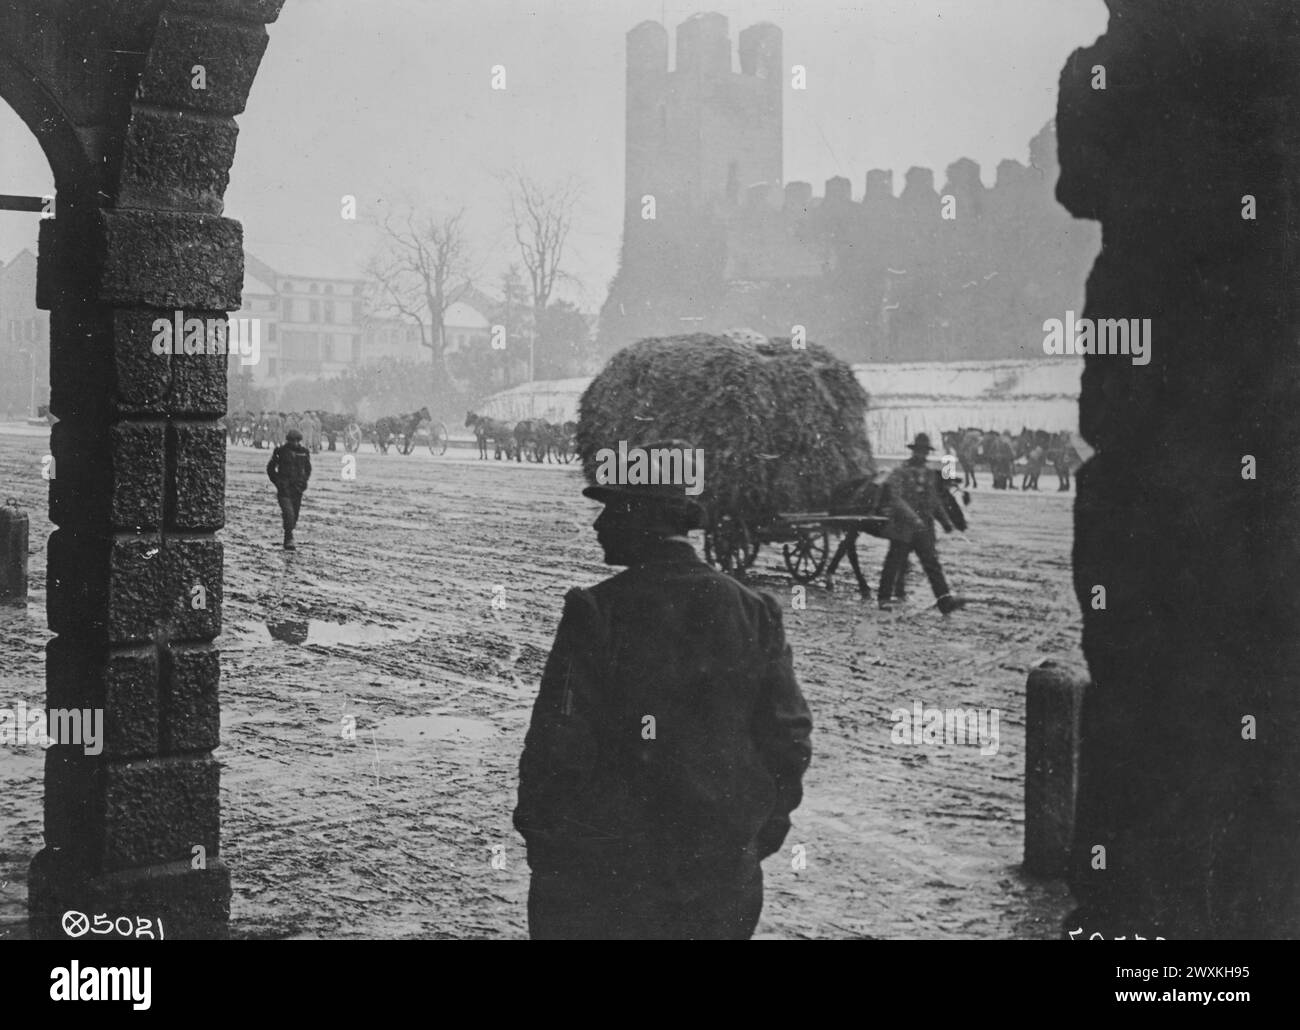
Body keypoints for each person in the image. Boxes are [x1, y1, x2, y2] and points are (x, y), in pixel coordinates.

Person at [514, 441, 813, 940]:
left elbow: (558, 744)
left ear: (641, 518)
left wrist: (546, 844)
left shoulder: (596, 611)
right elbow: (790, 737)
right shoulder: (755, 610)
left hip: (606, 876)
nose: (598, 525)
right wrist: (758, 829)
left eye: (611, 509)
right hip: (719, 874)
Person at [878, 433, 966, 614]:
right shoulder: (900, 472)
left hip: (923, 529)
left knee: (932, 564)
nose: (922, 455)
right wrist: (913, 518)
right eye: (919, 451)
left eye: (925, 452)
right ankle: (884, 598)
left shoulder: (928, 474)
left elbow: (934, 501)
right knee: (893, 563)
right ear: (913, 452)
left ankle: (944, 601)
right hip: (902, 527)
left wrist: (946, 522)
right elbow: (896, 499)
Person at [266, 428, 312, 550]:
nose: (295, 443)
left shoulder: (304, 452)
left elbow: (308, 469)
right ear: (288, 440)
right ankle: (289, 538)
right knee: (289, 514)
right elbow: (271, 468)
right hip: (284, 489)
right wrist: (277, 482)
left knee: (295, 516)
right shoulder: (280, 451)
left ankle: (288, 534)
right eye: (292, 440)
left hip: (297, 489)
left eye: (297, 440)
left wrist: (304, 482)